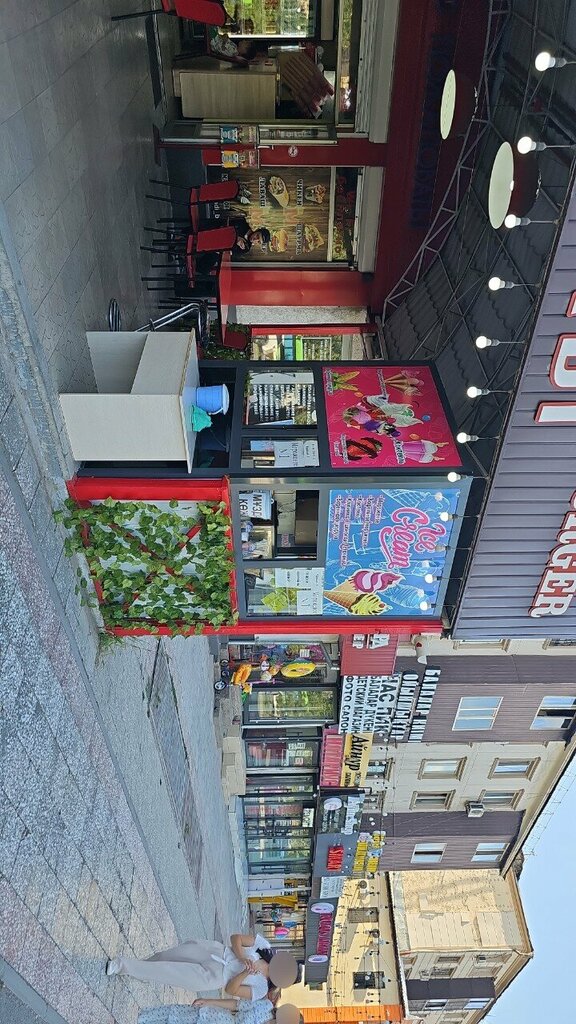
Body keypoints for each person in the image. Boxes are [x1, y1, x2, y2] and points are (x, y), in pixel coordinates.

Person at [106, 932, 298, 999]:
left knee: (167, 972)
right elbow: (235, 938)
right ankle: (140, 970)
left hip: (214, 977)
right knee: (166, 956)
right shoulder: (264, 947)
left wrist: (243, 973)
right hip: (215, 951)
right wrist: (242, 957)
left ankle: (122, 965)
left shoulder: (262, 987)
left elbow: (231, 990)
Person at [138, 996, 301, 1024]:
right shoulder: (265, 1006)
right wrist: (209, 1001)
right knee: (176, 1014)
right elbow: (236, 1005)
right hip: (218, 1018)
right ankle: (142, 1018)